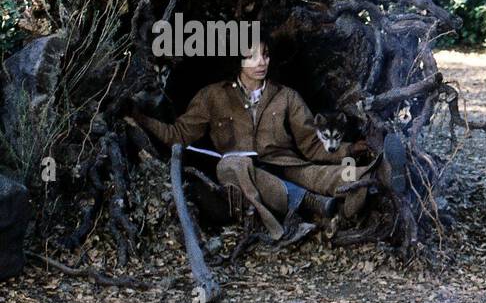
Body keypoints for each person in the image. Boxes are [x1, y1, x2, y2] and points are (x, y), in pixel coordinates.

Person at [129, 42, 373, 241]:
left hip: (285, 164)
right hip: (240, 171)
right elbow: (178, 135)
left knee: (331, 175)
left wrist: (350, 149)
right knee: (233, 166)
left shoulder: (286, 96)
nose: (261, 62)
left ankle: (367, 178)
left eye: (265, 55)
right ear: (239, 60)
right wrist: (141, 119)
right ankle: (314, 205)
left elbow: (311, 144)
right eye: (253, 56)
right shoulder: (212, 95)